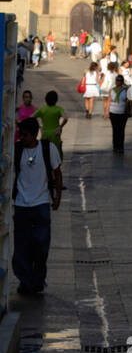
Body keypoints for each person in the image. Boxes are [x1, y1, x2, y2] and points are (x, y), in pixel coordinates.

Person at [12, 116, 62, 294]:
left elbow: (57, 172)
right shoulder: (17, 150)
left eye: (24, 135)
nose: (21, 138)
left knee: (41, 245)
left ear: (34, 135)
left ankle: (38, 279)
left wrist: (57, 197)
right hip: (21, 204)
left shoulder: (48, 149)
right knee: (21, 246)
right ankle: (25, 281)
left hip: (41, 203)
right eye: (20, 135)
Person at [35, 90, 68, 162]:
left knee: (45, 155)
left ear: (46, 99)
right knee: (56, 156)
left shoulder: (42, 109)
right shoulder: (58, 109)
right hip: (55, 135)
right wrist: (60, 126)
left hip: (45, 134)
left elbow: (32, 117)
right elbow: (65, 118)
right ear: (56, 100)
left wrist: (40, 127)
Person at [109, 73, 130, 154]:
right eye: (117, 80)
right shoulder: (112, 90)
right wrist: (106, 112)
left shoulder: (126, 90)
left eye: (120, 80)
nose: (118, 82)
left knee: (121, 130)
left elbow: (129, 101)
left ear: (122, 81)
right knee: (115, 130)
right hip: (113, 112)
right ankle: (115, 147)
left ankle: (121, 147)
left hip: (123, 113)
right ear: (115, 81)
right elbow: (109, 101)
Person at [99, 57, 115, 121]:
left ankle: (105, 113)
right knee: (109, 102)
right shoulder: (115, 74)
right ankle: (108, 113)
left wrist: (100, 86)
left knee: (105, 102)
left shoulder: (105, 73)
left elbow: (102, 81)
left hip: (104, 89)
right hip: (111, 89)